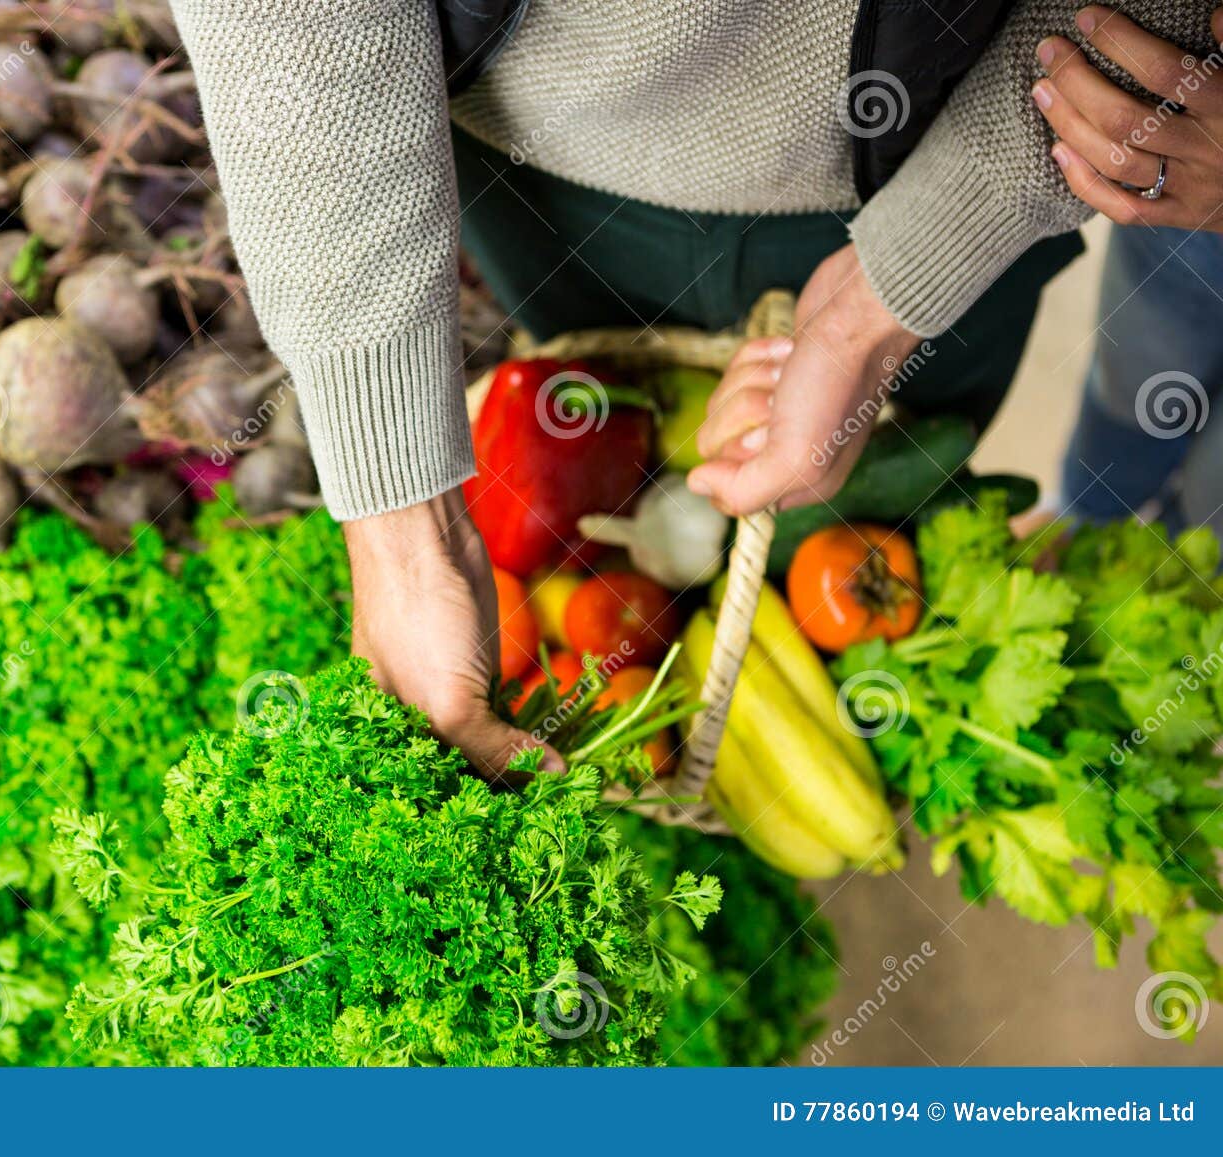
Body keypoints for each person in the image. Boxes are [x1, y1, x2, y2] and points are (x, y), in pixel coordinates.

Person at [168, 1, 1211, 776]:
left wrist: (909, 272)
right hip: (553, 156)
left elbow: (1144, 24)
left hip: (955, 144)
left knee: (939, 462)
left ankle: (1103, 492)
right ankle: (1106, 488)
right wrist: (406, 533)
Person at [1033, 10, 1223, 536]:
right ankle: (1081, 521)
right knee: (1136, 389)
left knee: (1215, 498)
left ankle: (1182, 578)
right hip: (1201, 165)